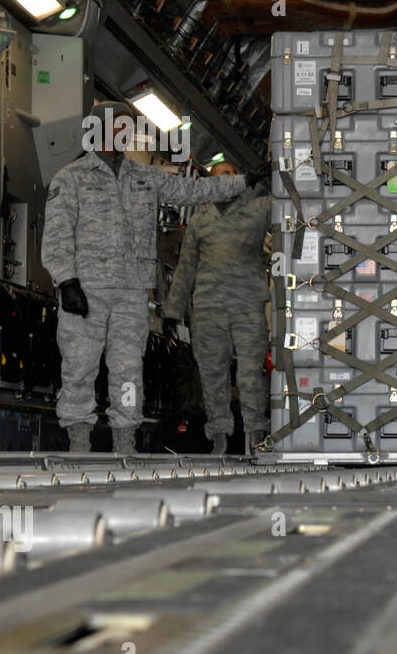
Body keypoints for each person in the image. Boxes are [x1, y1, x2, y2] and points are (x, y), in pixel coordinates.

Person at [42, 101, 267, 454]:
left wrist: (243, 182)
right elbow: (56, 236)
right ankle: (78, 441)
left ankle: (124, 440)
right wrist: (66, 281)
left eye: (127, 127)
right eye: (118, 126)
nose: (124, 133)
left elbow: (196, 191)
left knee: (128, 369)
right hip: (86, 291)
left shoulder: (145, 177)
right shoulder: (70, 178)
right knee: (79, 366)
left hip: (131, 294)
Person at [162, 155, 274, 454]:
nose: (230, 178)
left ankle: (255, 435)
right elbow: (185, 268)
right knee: (213, 376)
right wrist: (172, 311)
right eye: (223, 174)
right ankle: (219, 438)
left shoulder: (258, 208)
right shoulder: (200, 221)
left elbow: (288, 210)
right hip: (209, 309)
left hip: (248, 305)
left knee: (250, 374)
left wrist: (273, 179)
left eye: (235, 173)